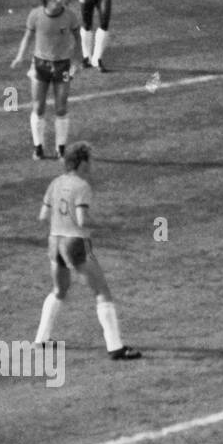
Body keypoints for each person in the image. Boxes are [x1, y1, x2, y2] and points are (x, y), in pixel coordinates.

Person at [33, 142, 140, 359]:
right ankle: (116, 347)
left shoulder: (55, 183)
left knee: (59, 290)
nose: (91, 164)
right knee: (102, 292)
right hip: (75, 243)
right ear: (81, 163)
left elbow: (43, 216)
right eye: (89, 160)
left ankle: (41, 339)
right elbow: (82, 221)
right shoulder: (81, 186)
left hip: (55, 241)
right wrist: (110, 227)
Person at [10, 0, 83, 160]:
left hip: (63, 65)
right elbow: (27, 37)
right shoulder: (35, 15)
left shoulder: (70, 16)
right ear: (46, 0)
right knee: (38, 106)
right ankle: (38, 147)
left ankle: (61, 149)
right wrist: (20, 56)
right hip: (40, 64)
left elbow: (77, 37)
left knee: (61, 107)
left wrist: (78, 60)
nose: (60, 0)